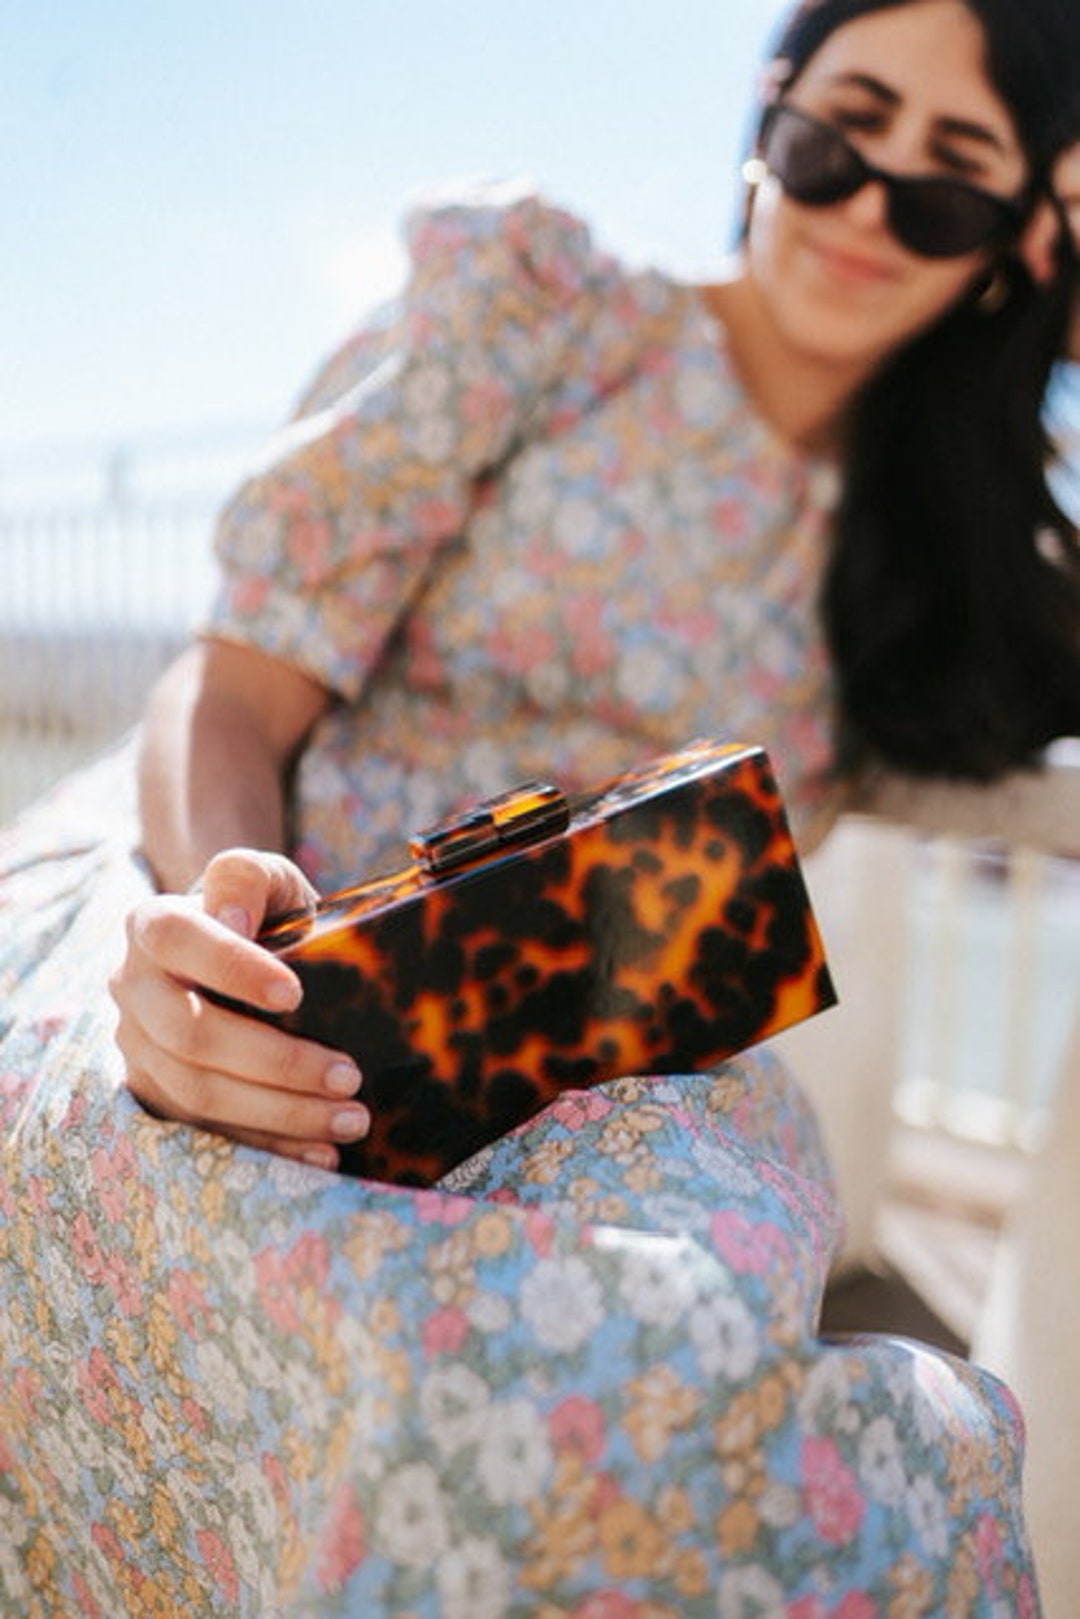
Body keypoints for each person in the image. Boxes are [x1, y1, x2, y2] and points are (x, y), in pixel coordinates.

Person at [0, 1, 1076, 1612]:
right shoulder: (548, 305)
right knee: (184, 1197)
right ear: (766, 125)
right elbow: (233, 683)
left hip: (614, 1040)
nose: (866, 206)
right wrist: (218, 920)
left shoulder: (938, 566)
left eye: (948, 186)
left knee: (660, 1333)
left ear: (1017, 237)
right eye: (834, 136)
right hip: (275, 917)